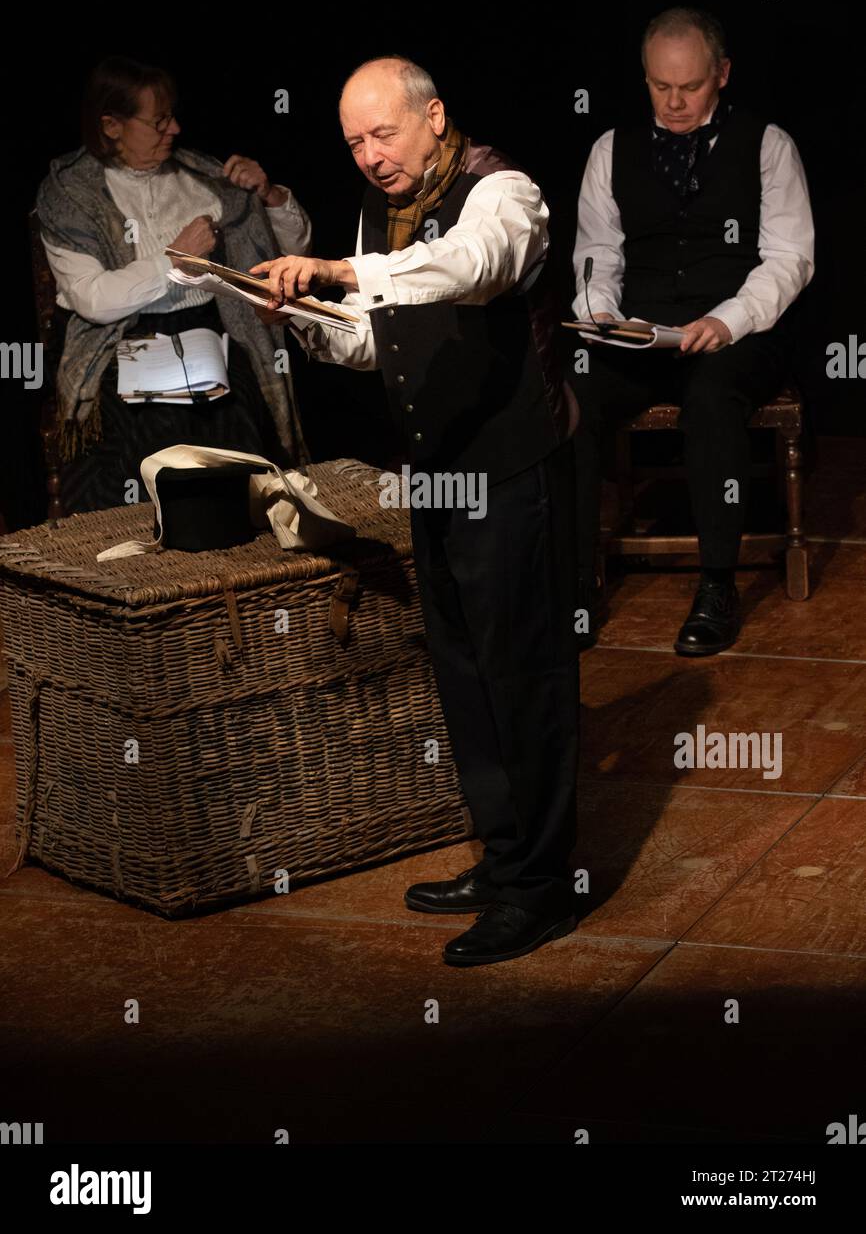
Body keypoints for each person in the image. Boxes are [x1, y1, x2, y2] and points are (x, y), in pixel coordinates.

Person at [250, 55, 581, 968]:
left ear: (435, 116)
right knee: (465, 674)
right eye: (354, 141)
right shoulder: (382, 215)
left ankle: (543, 889)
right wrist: (310, 318)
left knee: (524, 675)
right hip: (435, 468)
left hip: (511, 467)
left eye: (383, 133)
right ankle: (504, 857)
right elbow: (377, 335)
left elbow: (471, 270)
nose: (368, 156)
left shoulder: (504, 191)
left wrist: (340, 270)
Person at [571, 8, 814, 655]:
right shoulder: (610, 149)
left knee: (711, 399)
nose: (674, 102)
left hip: (741, 329)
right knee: (572, 392)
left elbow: (790, 257)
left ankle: (716, 583)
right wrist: (600, 314)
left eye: (691, 87)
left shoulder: (768, 145)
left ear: (723, 74)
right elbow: (599, 252)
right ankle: (573, 586)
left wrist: (726, 319)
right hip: (645, 330)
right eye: (660, 86)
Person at [36, 56, 312, 513]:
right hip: (122, 335)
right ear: (111, 125)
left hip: (214, 327)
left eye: (172, 115)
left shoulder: (204, 177)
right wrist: (174, 259)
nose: (176, 129)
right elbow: (94, 298)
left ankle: (240, 558)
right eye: (160, 120)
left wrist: (268, 195)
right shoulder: (71, 194)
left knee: (232, 416)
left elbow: (294, 251)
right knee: (151, 428)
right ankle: (145, 566)